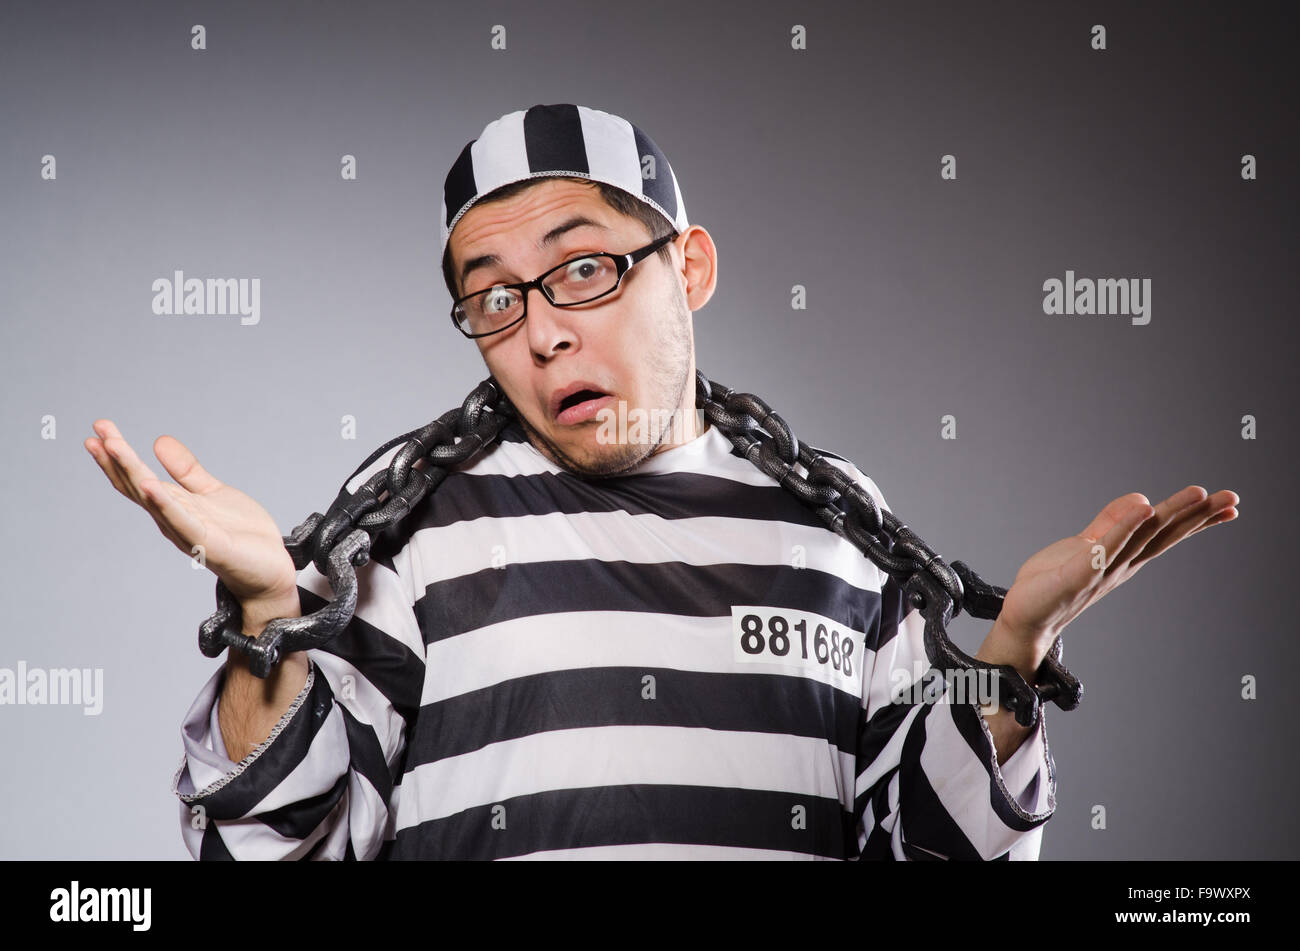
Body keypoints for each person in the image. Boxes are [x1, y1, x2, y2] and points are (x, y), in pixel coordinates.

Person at [87, 103, 1239, 860]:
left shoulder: (836, 533)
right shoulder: (409, 536)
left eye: (583, 269)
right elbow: (274, 855)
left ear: (686, 266)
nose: (539, 333)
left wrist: (1005, 665)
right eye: (495, 297)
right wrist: (267, 617)